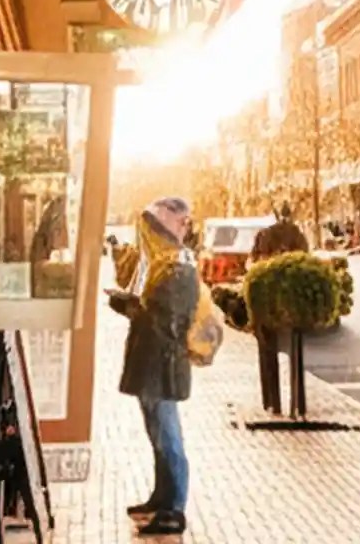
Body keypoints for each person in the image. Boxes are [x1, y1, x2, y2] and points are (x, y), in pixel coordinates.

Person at [104, 196, 198, 535]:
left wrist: (128, 305)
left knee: (168, 436)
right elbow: (152, 309)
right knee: (157, 434)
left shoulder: (178, 263)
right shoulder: (161, 262)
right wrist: (129, 304)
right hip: (152, 361)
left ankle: (174, 508)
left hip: (163, 363)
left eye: (156, 226)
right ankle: (161, 498)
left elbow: (168, 318)